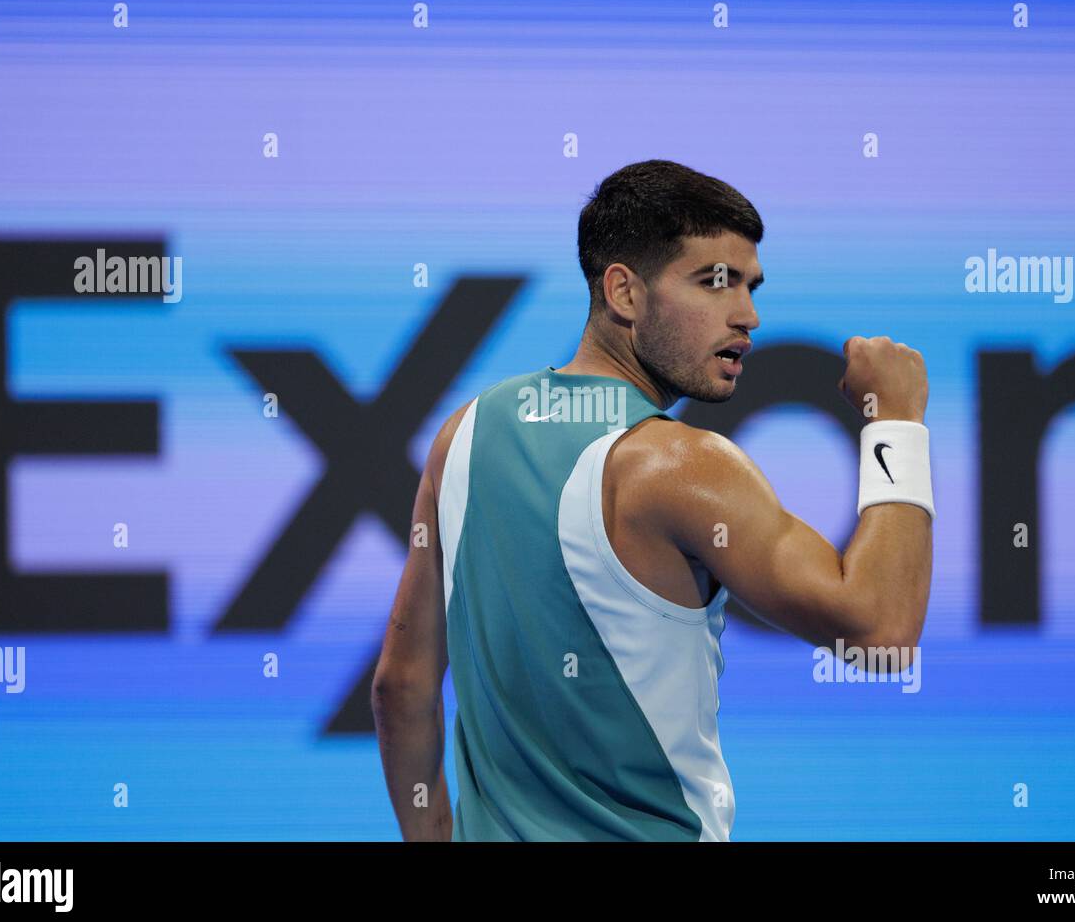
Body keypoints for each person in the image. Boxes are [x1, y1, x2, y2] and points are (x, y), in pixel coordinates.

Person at [372, 159, 933, 841]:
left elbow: (400, 688)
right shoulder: (680, 465)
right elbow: (882, 631)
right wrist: (897, 419)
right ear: (625, 293)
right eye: (714, 282)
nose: (748, 316)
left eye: (751, 287)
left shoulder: (461, 435)